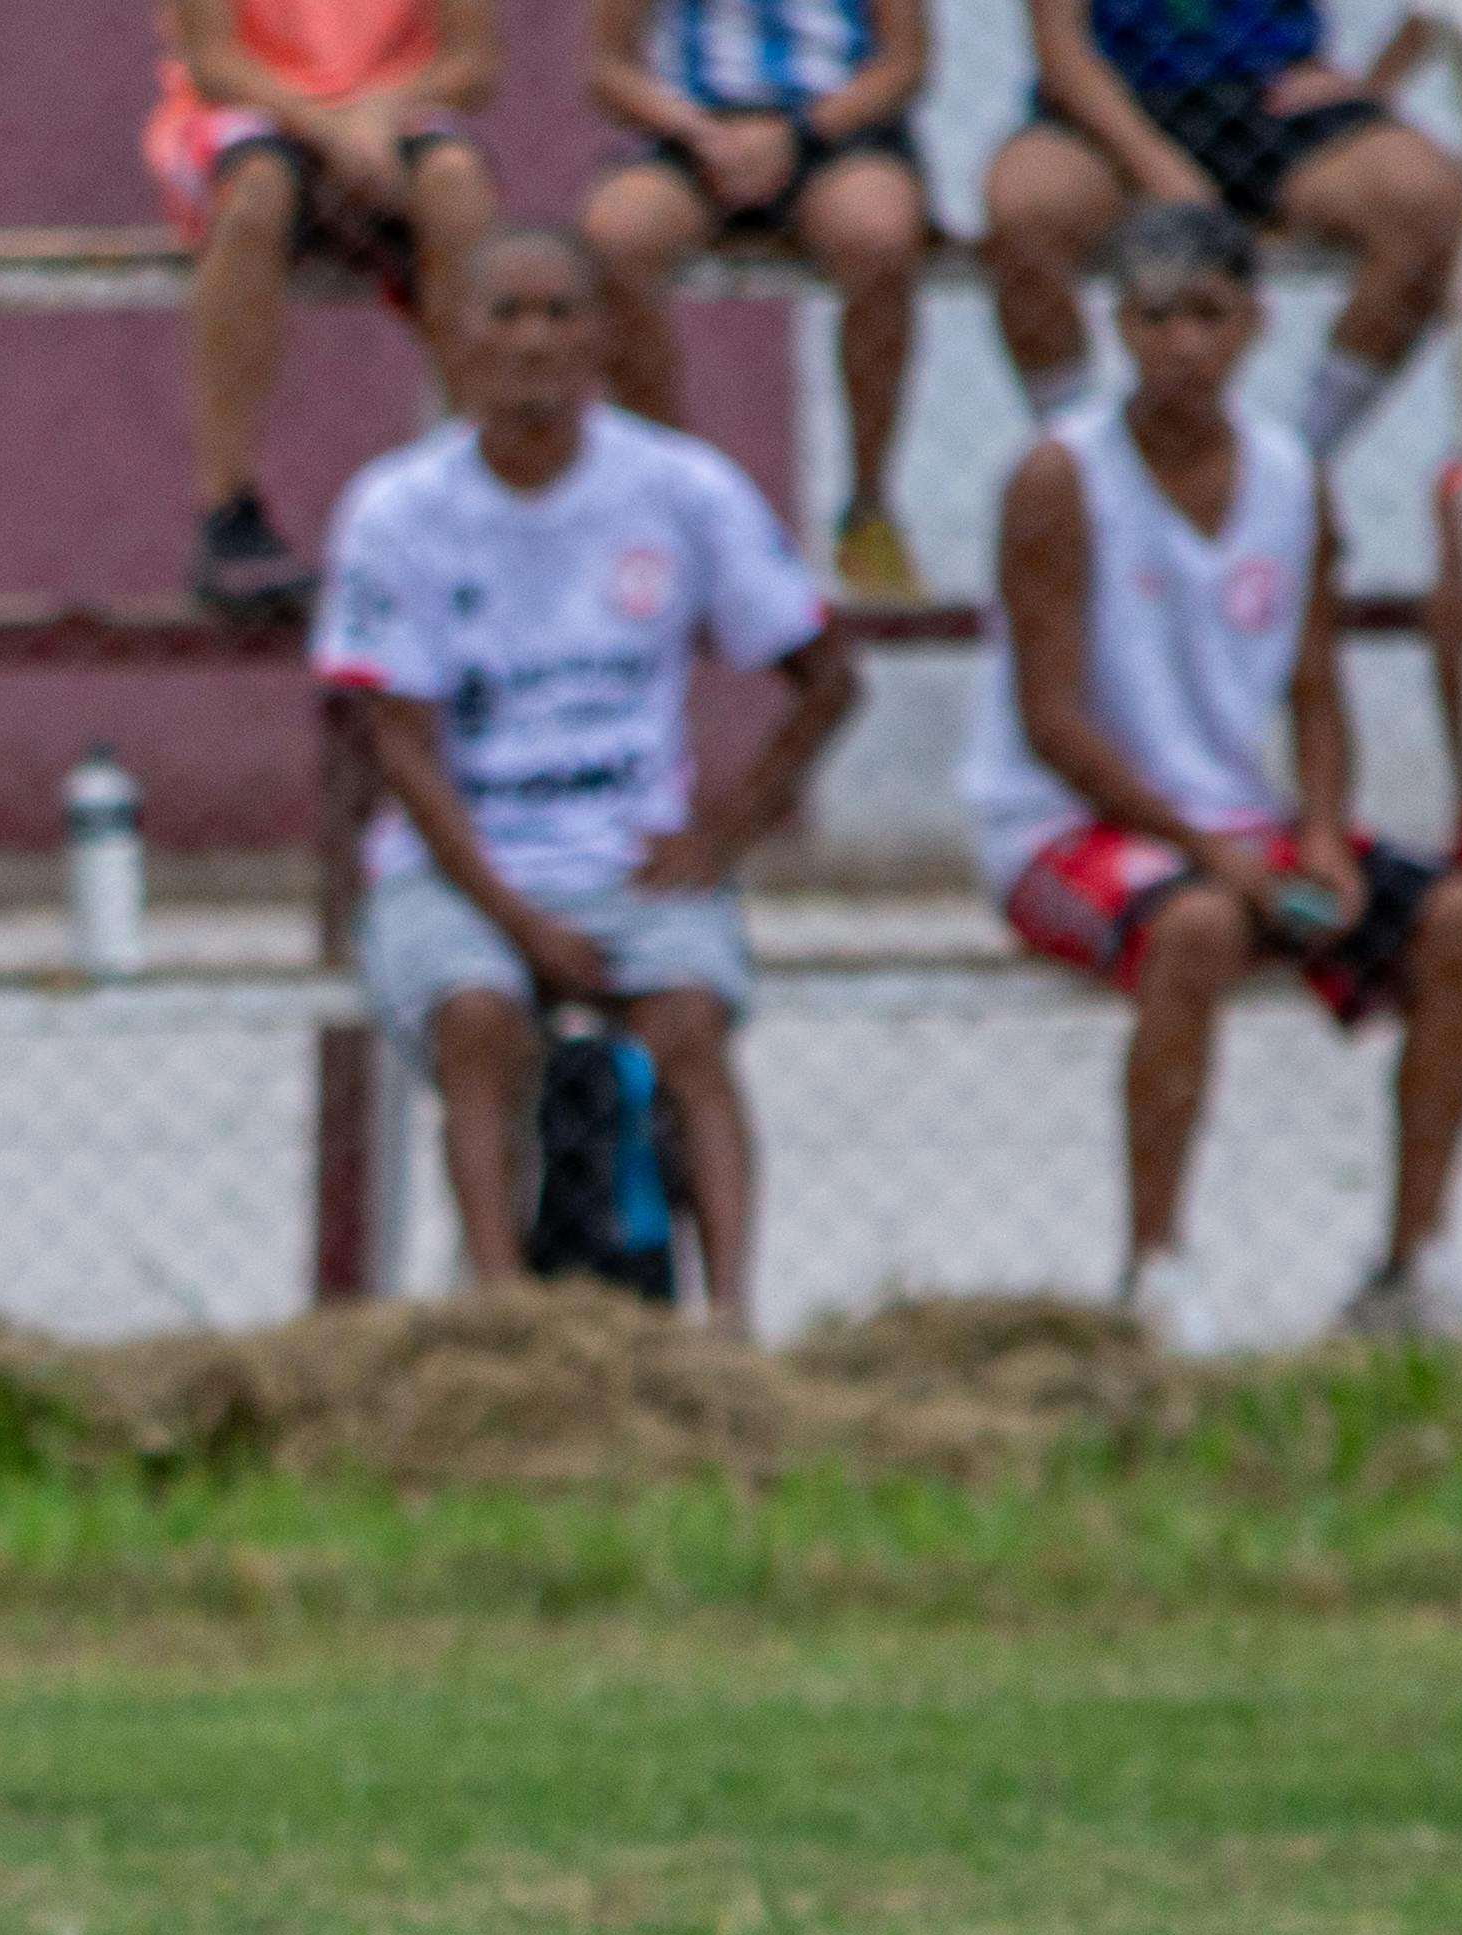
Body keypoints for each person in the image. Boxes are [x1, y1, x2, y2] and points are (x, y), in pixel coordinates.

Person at [964, 204, 1462, 1350]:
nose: (1181, 345)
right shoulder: (1058, 482)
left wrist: (1313, 836)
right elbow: (1050, 720)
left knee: (1458, 921)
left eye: (1208, 315)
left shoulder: (1292, 477)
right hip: (1062, 829)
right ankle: (1155, 1270)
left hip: (1238, 830)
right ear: (1119, 328)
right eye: (1155, 317)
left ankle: (1412, 1263)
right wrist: (1216, 853)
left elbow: (1314, 686)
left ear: (1255, 324)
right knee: (1197, 930)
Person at [314, 231, 862, 1332]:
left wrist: (720, 838)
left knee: (691, 1025)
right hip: (462, 866)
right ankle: (507, 1326)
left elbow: (827, 679)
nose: (535, 340)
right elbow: (400, 746)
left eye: (563, 313)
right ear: (456, 339)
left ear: (606, 336)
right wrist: (516, 917)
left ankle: (733, 1325)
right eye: (506, 313)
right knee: (481, 1021)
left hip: (630, 854)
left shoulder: (680, 488)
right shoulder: (397, 509)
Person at [982, 0, 1462, 464]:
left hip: (1274, 98)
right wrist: (1162, 170)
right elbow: (1060, 48)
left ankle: (1302, 464)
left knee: (1429, 200)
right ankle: (1087, 472)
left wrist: (1376, 80)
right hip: (1114, 98)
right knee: (1025, 205)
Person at [149, 0, 505, 620]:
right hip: (251, 115)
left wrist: (377, 114)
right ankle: (227, 512)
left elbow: (472, 66)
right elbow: (214, 64)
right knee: (259, 192)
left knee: (456, 185)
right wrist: (328, 127)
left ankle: (482, 487)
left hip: (394, 111)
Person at [582, 0, 935, 603]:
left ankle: (868, 507)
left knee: (878, 236)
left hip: (838, 129)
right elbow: (610, 69)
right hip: (698, 131)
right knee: (613, 236)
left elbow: (905, 63)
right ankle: (675, 500)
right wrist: (699, 132)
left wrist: (798, 133)